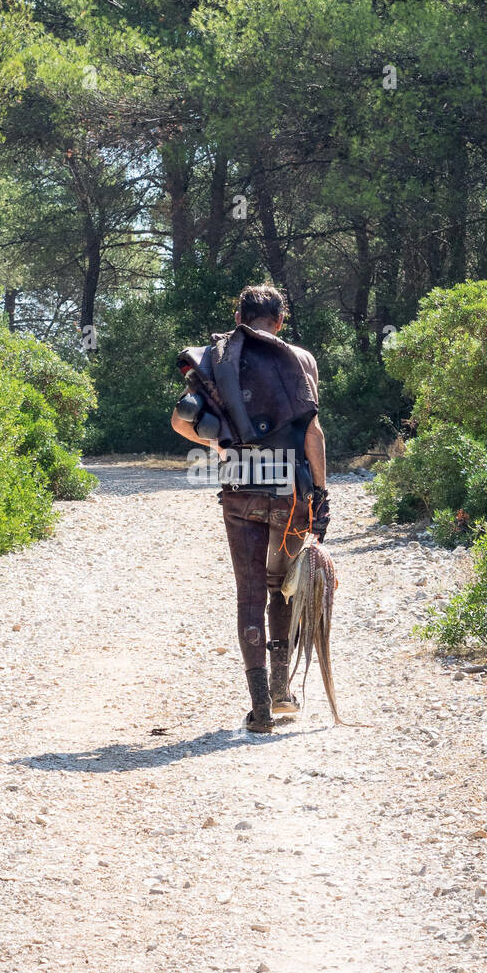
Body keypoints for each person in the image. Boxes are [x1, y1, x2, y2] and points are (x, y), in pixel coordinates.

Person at [170, 284, 330, 733]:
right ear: (280, 321)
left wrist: (216, 441)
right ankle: (282, 692)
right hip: (291, 490)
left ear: (239, 315)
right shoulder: (300, 359)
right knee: (283, 586)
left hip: (240, 486)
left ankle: (260, 709)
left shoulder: (215, 359)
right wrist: (322, 493)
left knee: (250, 593)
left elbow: (181, 419)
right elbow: (313, 432)